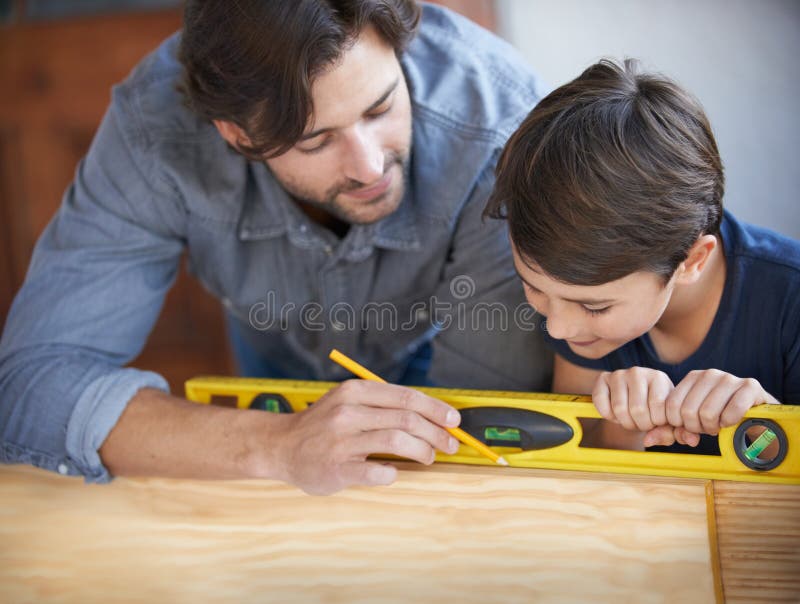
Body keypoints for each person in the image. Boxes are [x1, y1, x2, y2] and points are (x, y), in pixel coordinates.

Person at [0, 1, 552, 494]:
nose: (369, 166)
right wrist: (276, 445)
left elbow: (480, 434)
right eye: (316, 139)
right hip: (273, 359)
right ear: (237, 134)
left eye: (380, 108)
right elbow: (30, 386)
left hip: (448, 352)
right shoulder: (154, 129)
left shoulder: (504, 131)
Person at [484, 59, 799, 453]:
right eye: (533, 288)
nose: (558, 328)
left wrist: (763, 428)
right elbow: (581, 449)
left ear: (691, 261)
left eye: (595, 307)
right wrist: (625, 428)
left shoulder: (789, 301)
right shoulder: (574, 301)